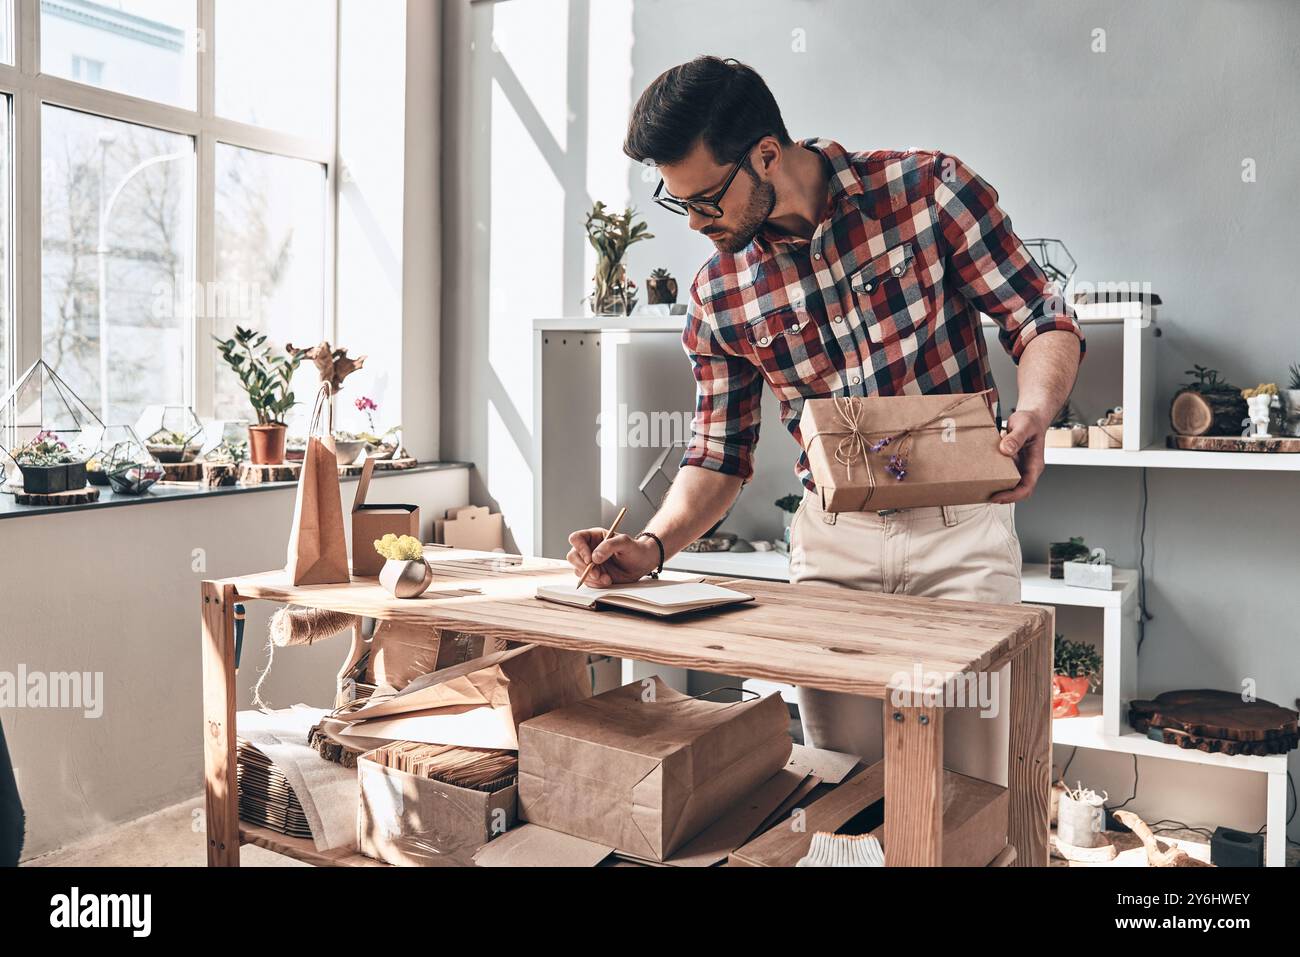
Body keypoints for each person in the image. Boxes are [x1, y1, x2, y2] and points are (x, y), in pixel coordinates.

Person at [566, 56, 1083, 783]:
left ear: (767, 155)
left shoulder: (929, 192)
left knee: (972, 794)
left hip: (961, 537)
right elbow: (717, 454)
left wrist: (1035, 410)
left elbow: (1041, 317)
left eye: (707, 200)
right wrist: (651, 547)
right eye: (678, 203)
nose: (696, 223)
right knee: (850, 790)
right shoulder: (720, 292)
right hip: (833, 554)